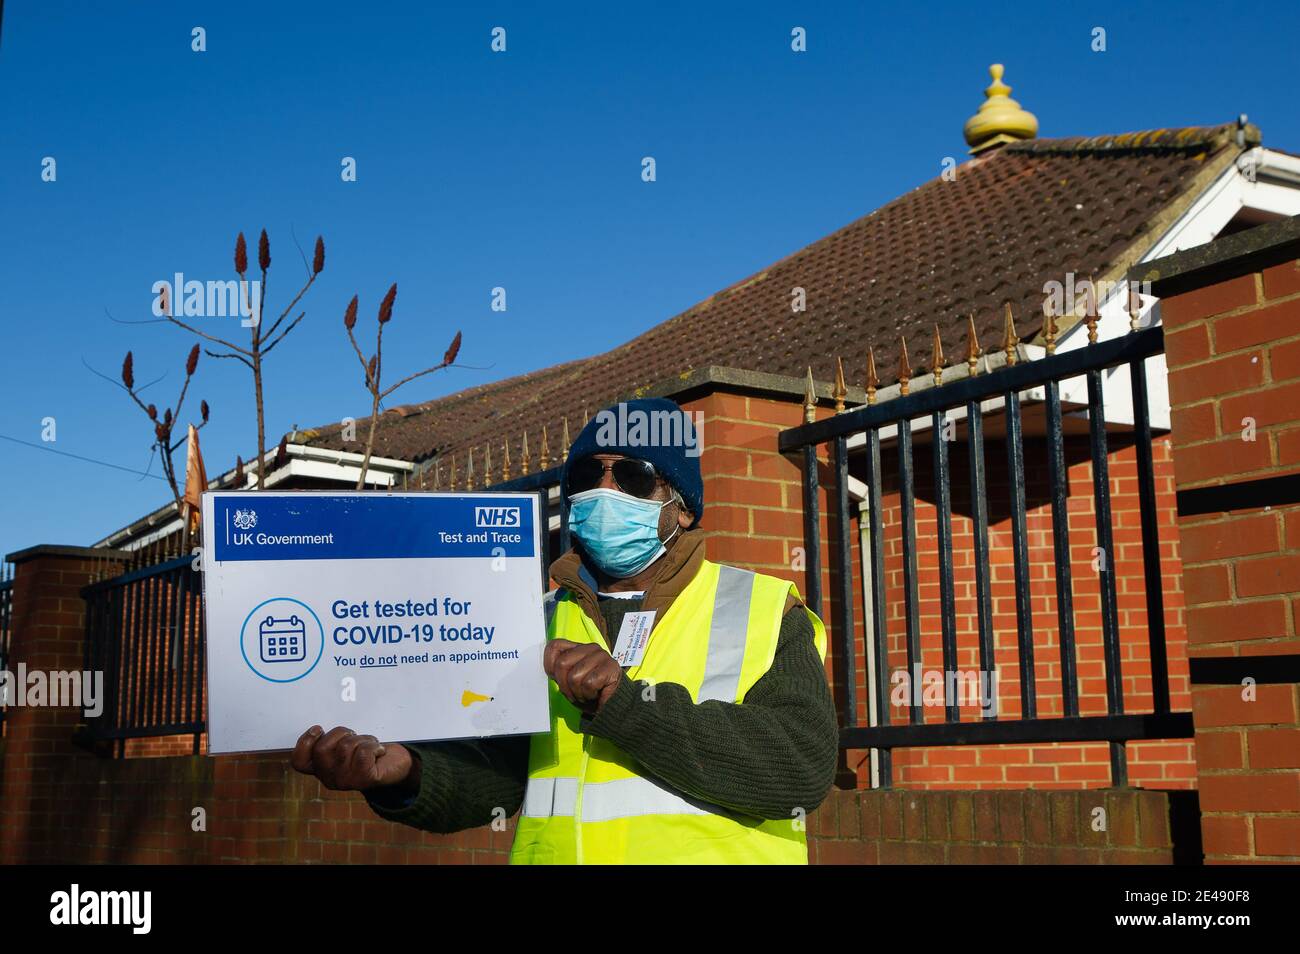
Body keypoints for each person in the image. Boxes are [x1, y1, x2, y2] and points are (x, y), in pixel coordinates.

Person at [291, 396, 839, 863]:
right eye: (585, 476)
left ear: (684, 506)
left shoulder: (762, 611)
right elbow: (499, 780)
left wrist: (629, 706)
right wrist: (403, 773)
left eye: (632, 476)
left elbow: (798, 769)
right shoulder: (535, 617)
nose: (605, 491)